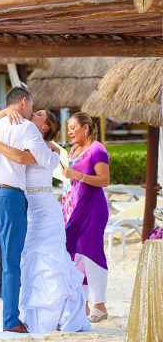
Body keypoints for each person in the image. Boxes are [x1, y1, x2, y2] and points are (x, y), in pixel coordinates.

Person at [0, 108, 90, 333]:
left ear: (46, 127)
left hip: (45, 210)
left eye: (39, 113)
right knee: (28, 261)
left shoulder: (47, 150)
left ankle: (55, 315)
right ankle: (30, 314)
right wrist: (7, 110)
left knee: (49, 261)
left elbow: (22, 158)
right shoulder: (27, 137)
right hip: (26, 210)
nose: (33, 113)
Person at [0, 86, 56, 335]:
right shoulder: (27, 127)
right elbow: (42, 158)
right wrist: (53, 157)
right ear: (24, 102)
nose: (32, 110)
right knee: (10, 260)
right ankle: (10, 320)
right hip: (9, 195)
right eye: (32, 106)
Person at [62, 112, 110, 323]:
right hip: (73, 209)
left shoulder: (97, 149)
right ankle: (84, 303)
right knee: (75, 253)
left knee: (91, 252)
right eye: (68, 128)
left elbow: (104, 180)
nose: (69, 131)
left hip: (92, 209)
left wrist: (78, 175)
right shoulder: (73, 149)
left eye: (73, 127)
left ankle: (99, 304)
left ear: (86, 128)